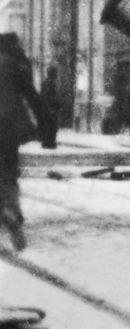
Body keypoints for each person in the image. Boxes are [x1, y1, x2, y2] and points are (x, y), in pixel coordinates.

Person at [0, 33, 49, 252]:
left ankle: (5, 212)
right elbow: (32, 96)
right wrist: (46, 125)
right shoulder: (17, 64)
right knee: (9, 175)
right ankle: (13, 213)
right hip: (10, 129)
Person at [37, 65, 60, 149]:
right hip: (50, 108)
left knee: (48, 126)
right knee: (51, 126)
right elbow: (48, 96)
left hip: (47, 108)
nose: (57, 74)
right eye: (55, 73)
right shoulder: (50, 83)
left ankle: (47, 142)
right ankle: (49, 143)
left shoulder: (46, 82)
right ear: (52, 73)